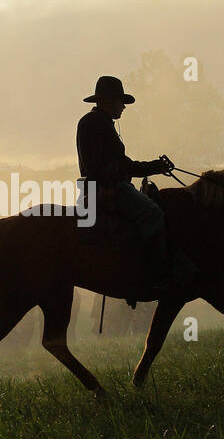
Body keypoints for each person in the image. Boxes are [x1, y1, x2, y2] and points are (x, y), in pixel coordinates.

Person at [75, 75, 178, 288]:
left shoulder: (96, 122)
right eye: (121, 102)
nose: (123, 107)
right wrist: (155, 167)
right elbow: (119, 165)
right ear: (108, 100)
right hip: (107, 188)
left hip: (99, 186)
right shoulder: (96, 123)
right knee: (153, 214)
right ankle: (155, 272)